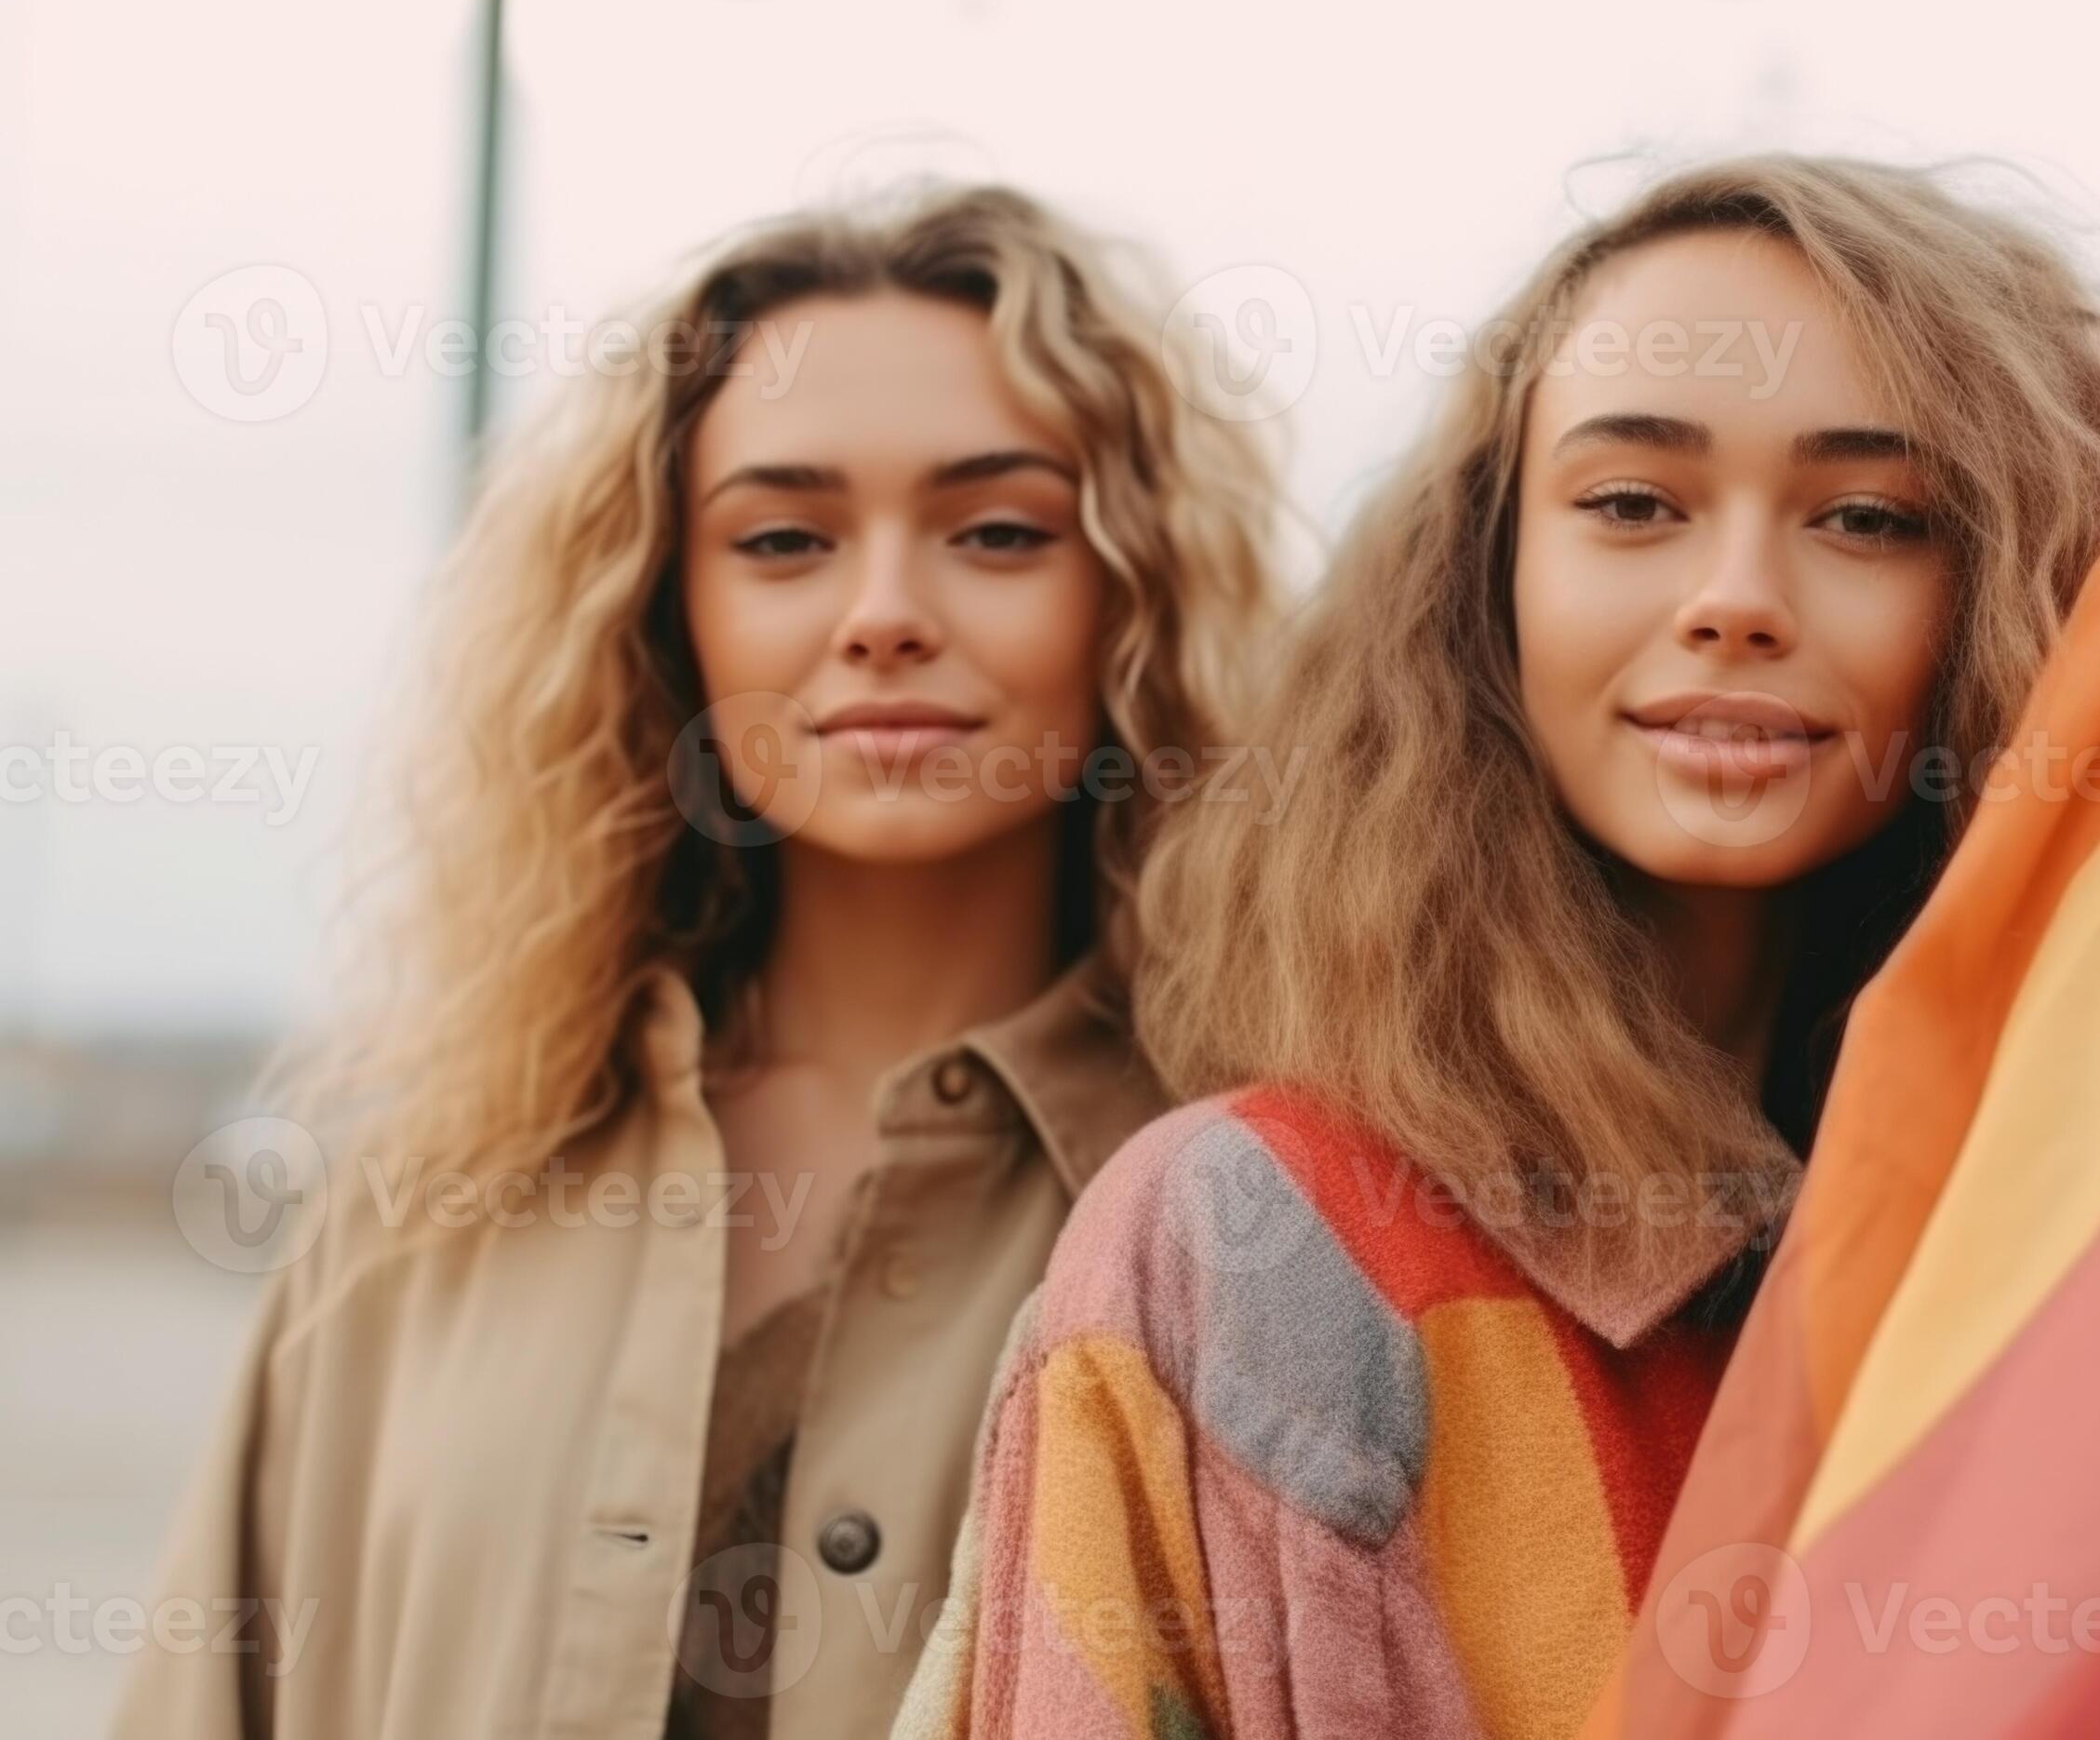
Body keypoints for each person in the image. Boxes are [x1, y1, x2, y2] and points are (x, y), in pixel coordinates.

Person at [894, 0, 2100, 1734]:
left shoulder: (2095, 1225)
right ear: (1488, 584)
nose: (1735, 596)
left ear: (2014, 597)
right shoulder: (1257, 1238)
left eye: (1869, 518)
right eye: (1632, 498)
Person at [113, 183, 1277, 1740]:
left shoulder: (1260, 1225)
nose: (881, 615)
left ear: (1128, 592)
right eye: (784, 538)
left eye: (998, 532)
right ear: (677, 609)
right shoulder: (417, 1214)